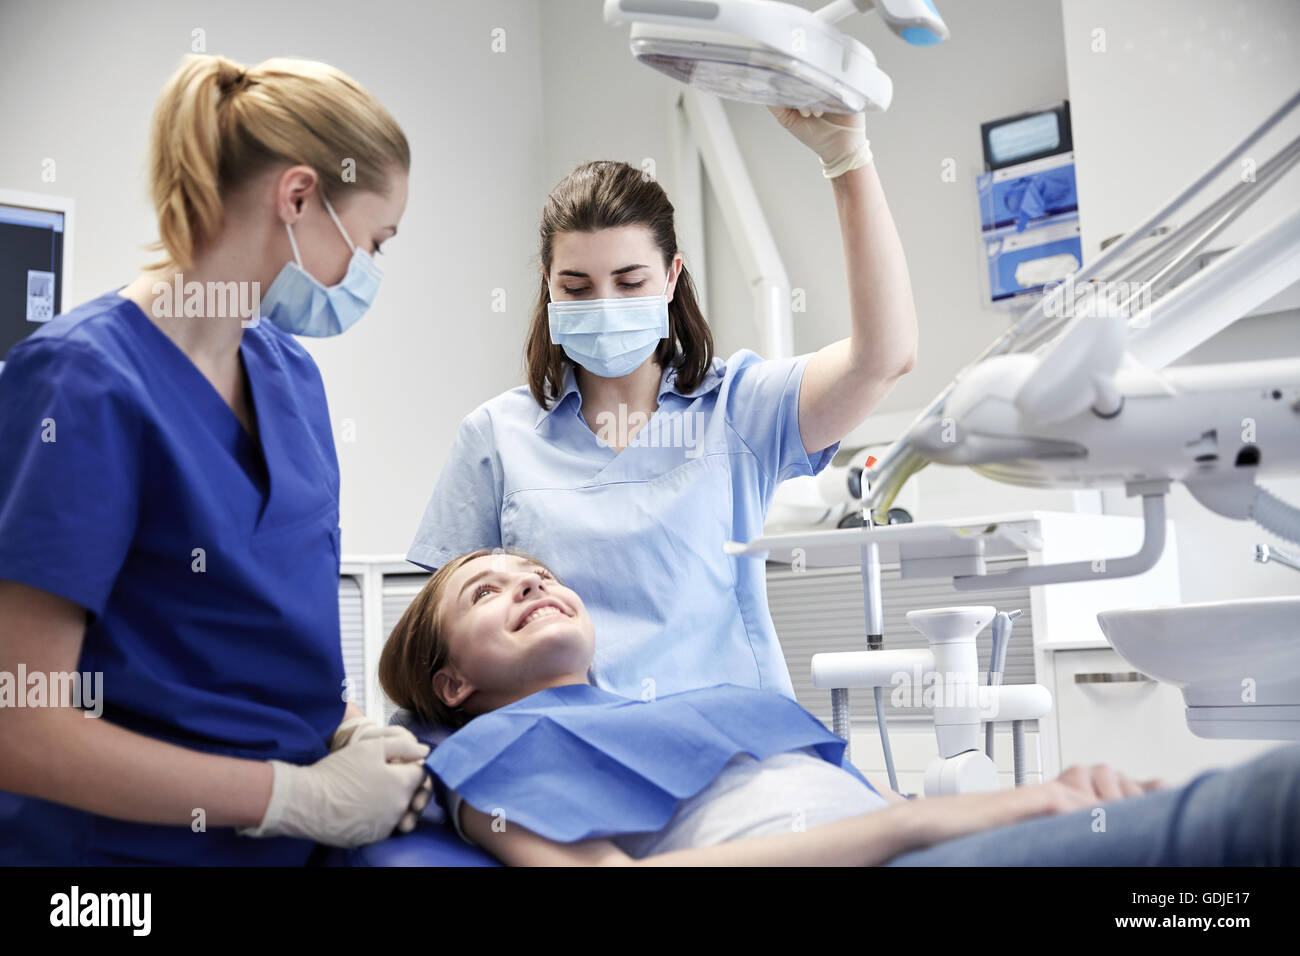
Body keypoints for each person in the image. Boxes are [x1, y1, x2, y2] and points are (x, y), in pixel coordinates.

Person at [0, 53, 430, 865]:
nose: (366, 273)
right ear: (298, 196)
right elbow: (23, 729)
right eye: (372, 242)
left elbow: (247, 637)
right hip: (113, 868)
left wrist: (342, 731)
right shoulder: (82, 383)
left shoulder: (290, 375)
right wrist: (296, 798)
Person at [408, 108, 918, 702]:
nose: (603, 304)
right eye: (576, 287)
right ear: (547, 283)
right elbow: (434, 647)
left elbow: (884, 357)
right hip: (572, 755)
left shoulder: (738, 408)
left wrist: (846, 159)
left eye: (630, 283)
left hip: (735, 752)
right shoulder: (496, 437)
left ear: (672, 278)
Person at [378, 548, 1300, 866]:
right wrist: (955, 819)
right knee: (1252, 820)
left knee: (1202, 895)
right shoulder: (488, 754)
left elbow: (883, 809)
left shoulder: (715, 702)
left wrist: (1060, 796)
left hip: (927, 845)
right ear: (451, 684)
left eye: (537, 574)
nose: (530, 585)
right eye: (487, 592)